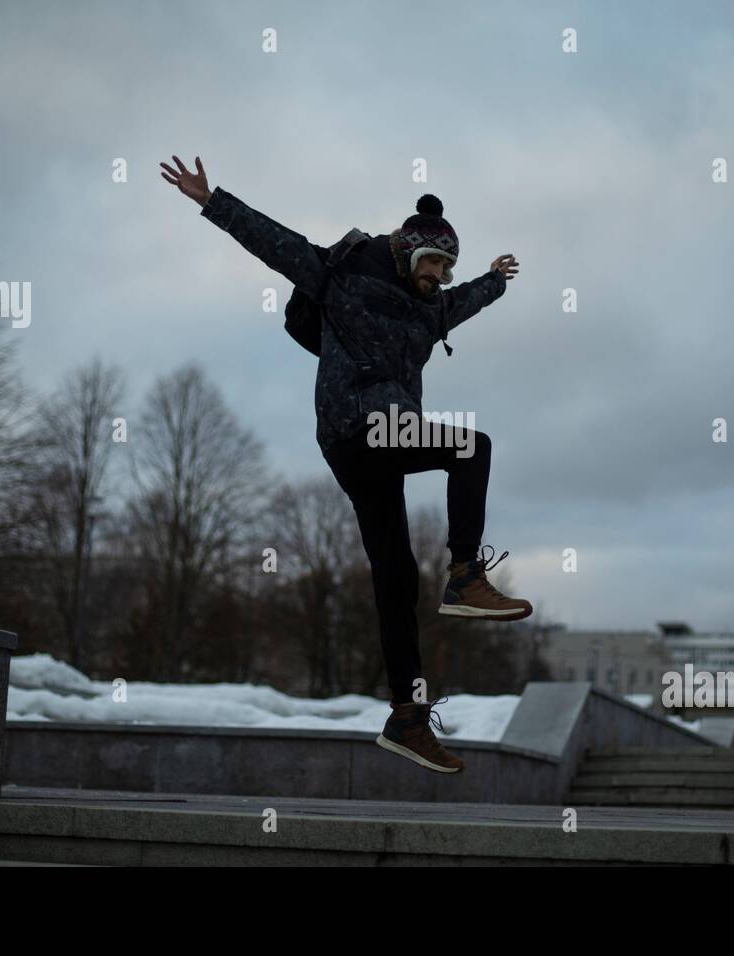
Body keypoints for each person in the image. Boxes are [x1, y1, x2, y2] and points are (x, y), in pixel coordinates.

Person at [160, 155, 532, 775]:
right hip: (358, 423)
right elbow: (273, 242)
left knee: (396, 576)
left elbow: (465, 302)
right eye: (433, 263)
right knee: (473, 445)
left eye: (447, 267)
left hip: (367, 451)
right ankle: (466, 575)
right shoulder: (345, 275)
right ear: (409, 253)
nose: (439, 277)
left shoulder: (432, 307)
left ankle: (407, 718)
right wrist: (210, 199)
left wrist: (494, 279)